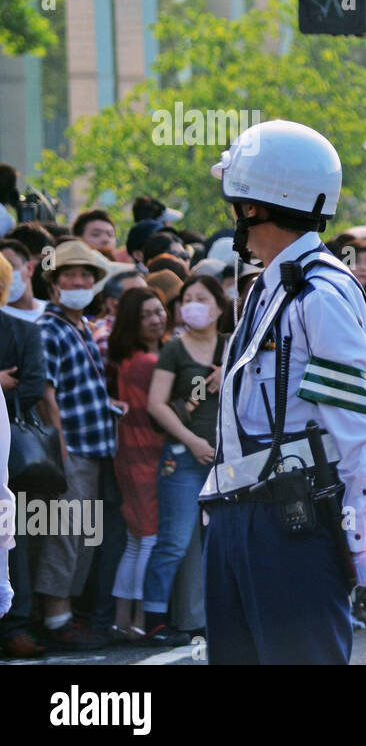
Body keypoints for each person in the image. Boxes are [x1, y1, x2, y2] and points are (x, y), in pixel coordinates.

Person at [201, 119, 366, 665]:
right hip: (241, 513)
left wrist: (361, 536)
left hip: (292, 521)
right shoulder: (269, 284)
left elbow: (357, 431)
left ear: (254, 205)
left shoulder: (321, 292)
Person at [34, 239, 126, 650]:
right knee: (66, 533)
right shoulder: (48, 327)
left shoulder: (81, 325)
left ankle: (68, 615)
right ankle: (56, 621)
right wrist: (62, 444)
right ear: (53, 283)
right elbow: (46, 393)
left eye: (86, 275)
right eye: (70, 274)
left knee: (83, 535)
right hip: (72, 447)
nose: (79, 281)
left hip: (94, 446)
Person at [141, 274, 228, 646]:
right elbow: (156, 404)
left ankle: (208, 616)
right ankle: (156, 619)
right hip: (184, 458)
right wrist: (192, 441)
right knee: (175, 541)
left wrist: (229, 372)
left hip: (227, 460)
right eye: (187, 298)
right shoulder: (175, 349)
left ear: (220, 308)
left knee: (219, 543)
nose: (193, 304)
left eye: (202, 298)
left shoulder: (233, 347)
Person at [104, 287, 168, 644]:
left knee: (135, 541)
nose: (157, 319)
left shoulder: (129, 359)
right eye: (146, 315)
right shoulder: (148, 363)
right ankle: (142, 618)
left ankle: (122, 620)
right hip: (147, 455)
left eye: (159, 311)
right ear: (132, 321)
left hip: (130, 455)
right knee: (149, 541)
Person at [0, 255, 48, 658]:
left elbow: (32, 385)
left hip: (10, 454)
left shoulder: (22, 331)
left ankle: (16, 623)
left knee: (12, 537)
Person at [0, 238, 48, 322]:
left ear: (29, 269)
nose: (6, 274)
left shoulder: (50, 310)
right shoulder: (3, 320)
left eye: (11, 266)